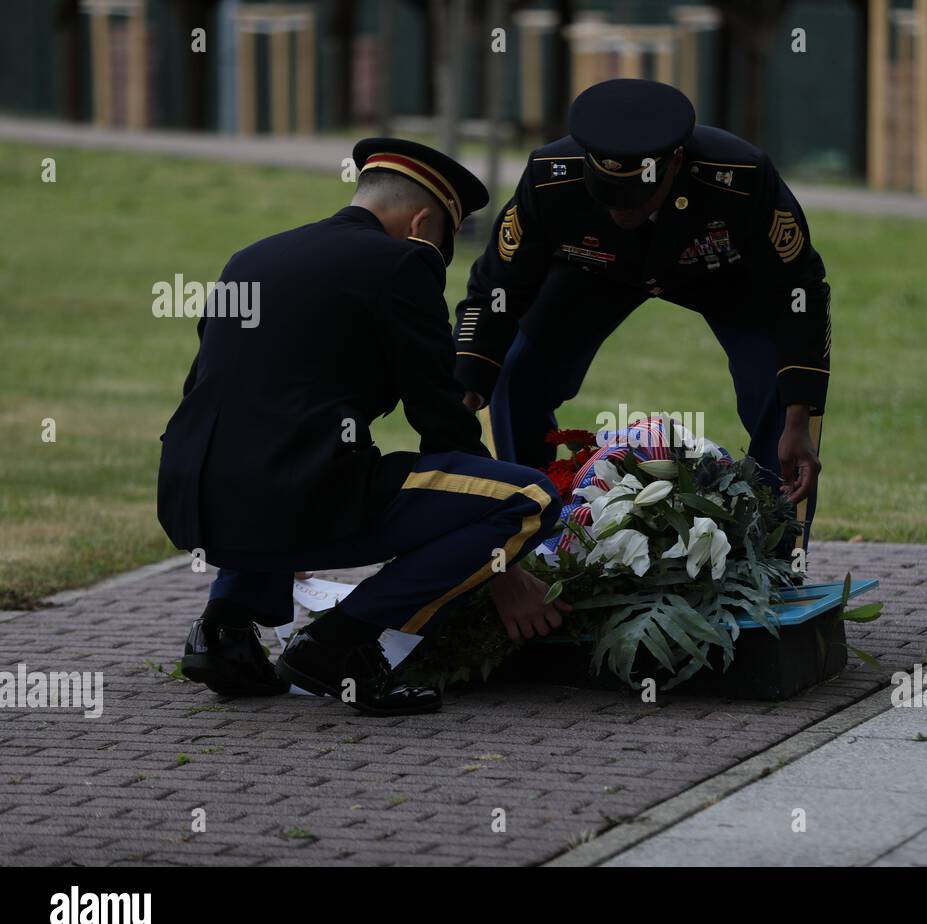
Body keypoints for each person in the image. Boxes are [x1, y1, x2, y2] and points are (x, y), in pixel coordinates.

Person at [156, 138, 566, 716]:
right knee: (525, 498)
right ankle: (337, 644)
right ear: (425, 224)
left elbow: (213, 390)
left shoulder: (252, 256)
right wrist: (503, 567)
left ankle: (222, 631)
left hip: (190, 497)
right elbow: (441, 419)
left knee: (267, 452)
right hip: (293, 497)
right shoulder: (403, 262)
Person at [453, 79, 831, 542]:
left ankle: (777, 553)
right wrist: (466, 386)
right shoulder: (552, 175)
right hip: (594, 269)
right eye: (605, 195)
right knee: (515, 370)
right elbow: (496, 288)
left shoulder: (741, 175)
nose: (619, 213)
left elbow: (801, 290)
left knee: (778, 384)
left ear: (674, 162)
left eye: (634, 198)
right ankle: (533, 534)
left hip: (720, 272)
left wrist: (798, 417)